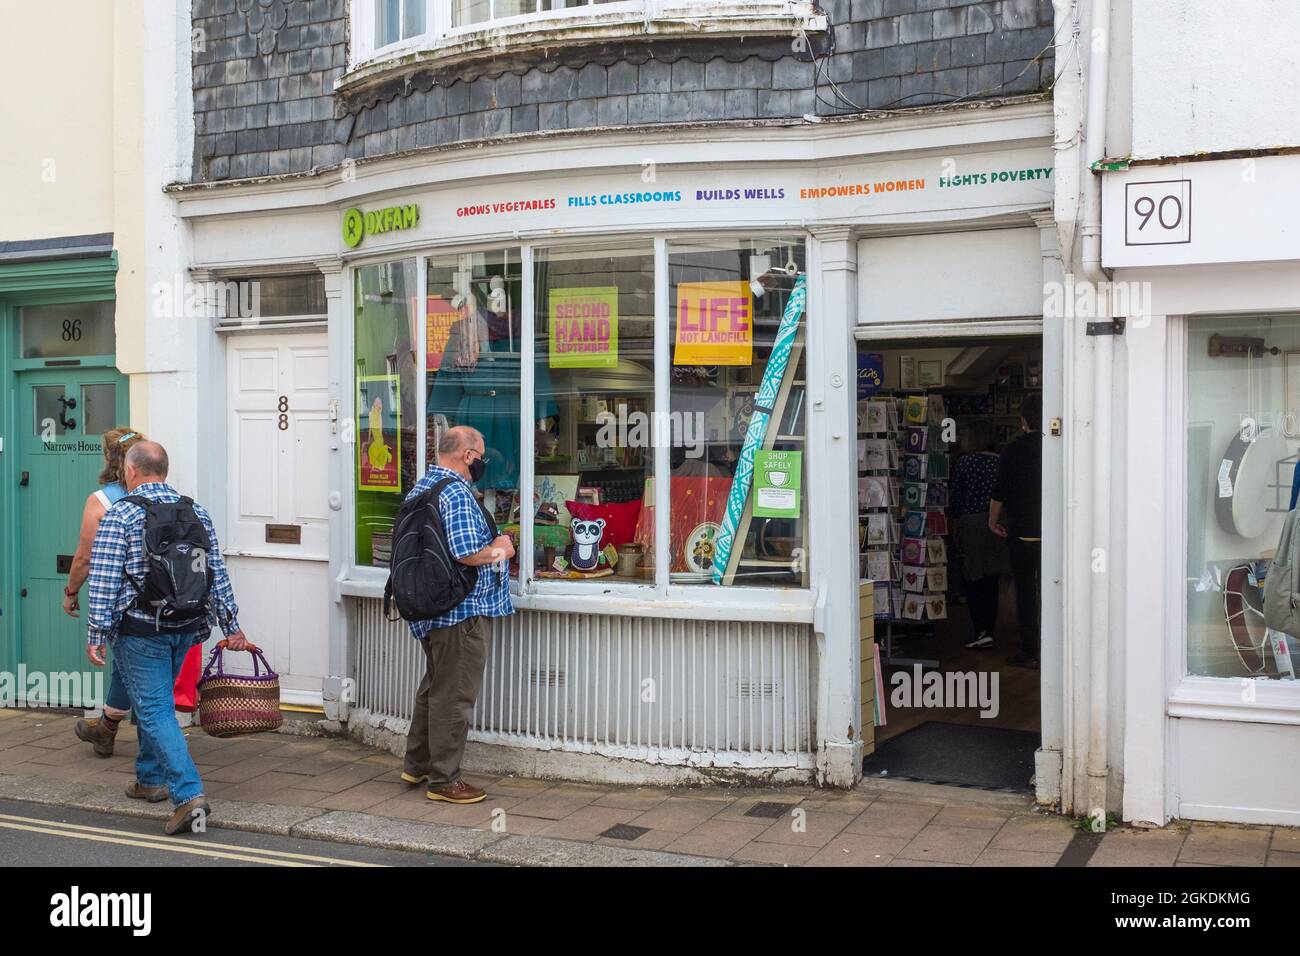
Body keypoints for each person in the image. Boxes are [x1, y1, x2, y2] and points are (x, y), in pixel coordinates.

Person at [86, 441, 249, 835]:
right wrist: (232, 627)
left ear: (131, 471)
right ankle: (148, 779)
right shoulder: (196, 511)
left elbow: (105, 580)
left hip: (141, 631)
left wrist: (96, 632)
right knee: (152, 703)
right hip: (186, 627)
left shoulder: (121, 515)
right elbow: (217, 574)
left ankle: (188, 795)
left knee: (156, 711)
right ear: (165, 470)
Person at [401, 425, 515, 805]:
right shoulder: (457, 493)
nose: (482, 462)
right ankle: (445, 780)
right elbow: (468, 553)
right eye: (480, 456)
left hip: (432, 608)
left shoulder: (424, 487)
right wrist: (501, 549)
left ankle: (416, 764)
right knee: (455, 696)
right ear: (468, 456)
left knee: (434, 688)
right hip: (461, 612)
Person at [63, 427, 146, 756]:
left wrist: (71, 591)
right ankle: (107, 728)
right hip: (161, 595)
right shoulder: (158, 494)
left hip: (119, 598)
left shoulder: (100, 501)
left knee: (128, 665)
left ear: (109, 458)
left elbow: (84, 558)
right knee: (131, 665)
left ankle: (112, 731)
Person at [989, 393, 1044, 668]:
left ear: (1023, 421)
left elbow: (998, 492)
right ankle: (1055, 647)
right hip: (1051, 535)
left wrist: (992, 521)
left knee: (1025, 593)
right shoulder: (1056, 446)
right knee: (1052, 592)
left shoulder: (1012, 450)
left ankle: (1029, 649)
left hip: (1020, 532)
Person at [950, 419, 1010, 649]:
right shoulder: (999, 461)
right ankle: (989, 628)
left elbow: (957, 495)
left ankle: (979, 629)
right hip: (997, 521)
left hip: (971, 523)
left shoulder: (966, 462)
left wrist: (955, 520)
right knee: (992, 576)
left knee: (973, 576)